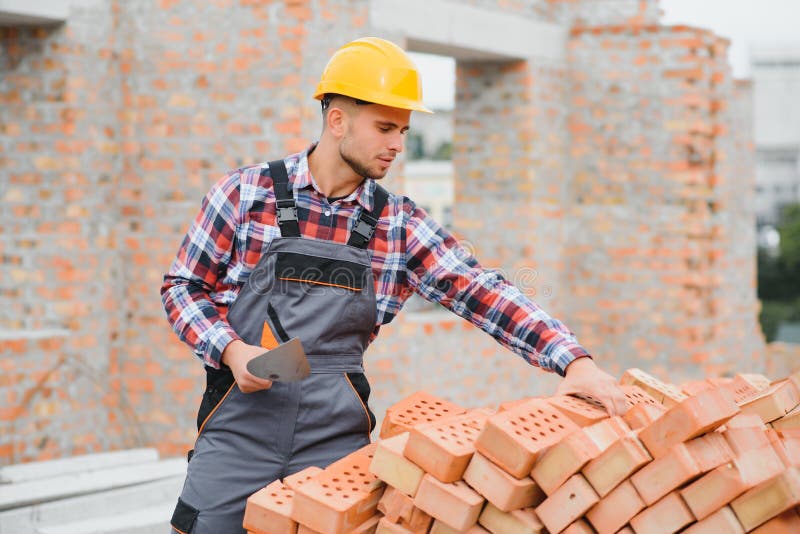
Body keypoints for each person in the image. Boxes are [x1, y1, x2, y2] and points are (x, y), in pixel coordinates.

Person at [161, 36, 628, 534]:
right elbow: (182, 287)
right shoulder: (245, 193)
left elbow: (481, 289)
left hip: (333, 443)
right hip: (237, 432)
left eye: (404, 131)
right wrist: (231, 350)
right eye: (384, 127)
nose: (398, 146)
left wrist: (571, 361)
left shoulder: (398, 224)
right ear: (337, 120)